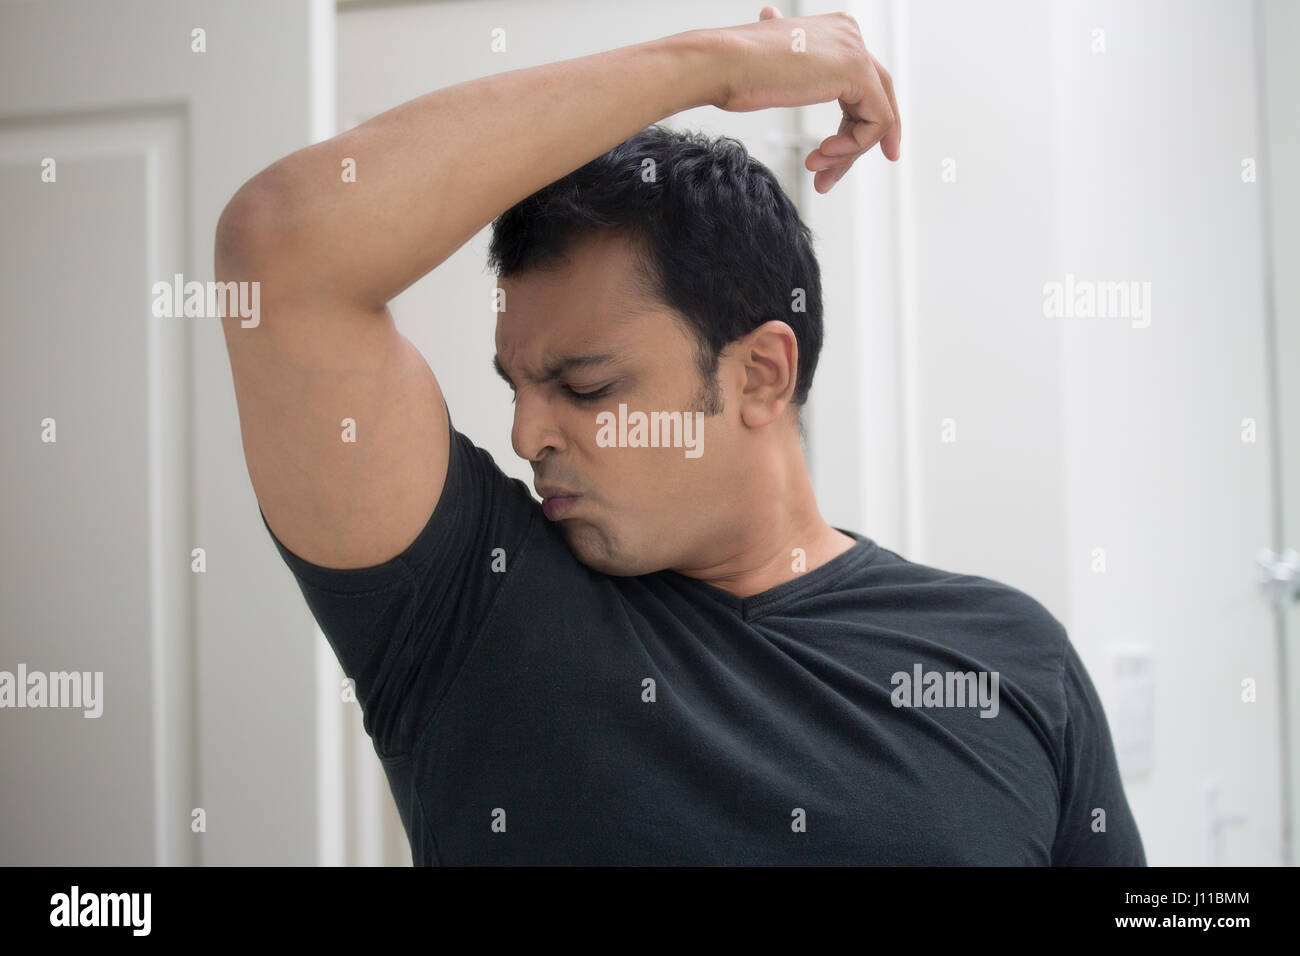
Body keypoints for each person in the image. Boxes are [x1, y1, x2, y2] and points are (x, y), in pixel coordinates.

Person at [215, 6, 1145, 865]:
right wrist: (715, 63)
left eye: (586, 385)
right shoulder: (470, 607)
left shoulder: (1009, 657)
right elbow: (281, 250)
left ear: (759, 374)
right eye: (517, 386)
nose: (526, 430)